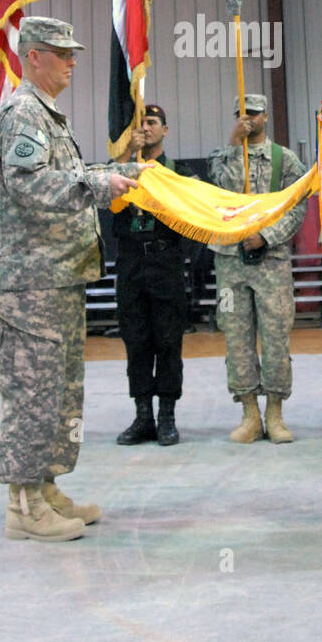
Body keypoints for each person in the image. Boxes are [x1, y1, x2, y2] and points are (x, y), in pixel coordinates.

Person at [0, 16, 146, 543]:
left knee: (60, 392)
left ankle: (45, 487)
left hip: (54, 279)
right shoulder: (24, 112)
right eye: (63, 53)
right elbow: (30, 185)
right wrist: (98, 187)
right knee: (33, 393)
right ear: (34, 56)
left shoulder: (48, 115)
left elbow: (60, 176)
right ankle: (23, 505)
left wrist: (114, 173)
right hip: (27, 284)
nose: (74, 60)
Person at [208, 94, 307, 444]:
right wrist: (235, 146)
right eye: (240, 114)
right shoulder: (222, 158)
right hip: (230, 262)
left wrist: (266, 236)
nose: (246, 118)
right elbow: (223, 194)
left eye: (252, 113)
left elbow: (296, 206)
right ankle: (249, 412)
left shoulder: (285, 160)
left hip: (271, 262)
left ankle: (275, 412)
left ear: (266, 116)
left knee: (276, 336)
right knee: (235, 337)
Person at [112, 105, 196, 446]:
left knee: (168, 341)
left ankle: (167, 416)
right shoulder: (120, 170)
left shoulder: (179, 172)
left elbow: (191, 214)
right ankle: (142, 415)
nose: (146, 128)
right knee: (136, 342)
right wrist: (129, 153)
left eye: (152, 122)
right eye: (140, 123)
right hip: (131, 264)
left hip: (165, 264)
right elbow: (109, 198)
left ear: (165, 130)